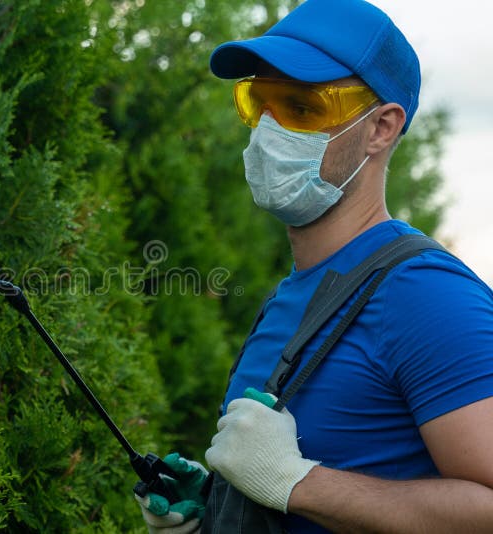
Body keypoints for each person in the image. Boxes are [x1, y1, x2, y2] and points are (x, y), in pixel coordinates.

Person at [134, 0, 493, 532]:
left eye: (302, 108)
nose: (270, 133)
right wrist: (218, 508)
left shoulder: (423, 293)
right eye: (260, 103)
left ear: (381, 128)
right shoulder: (292, 298)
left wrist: (299, 483)